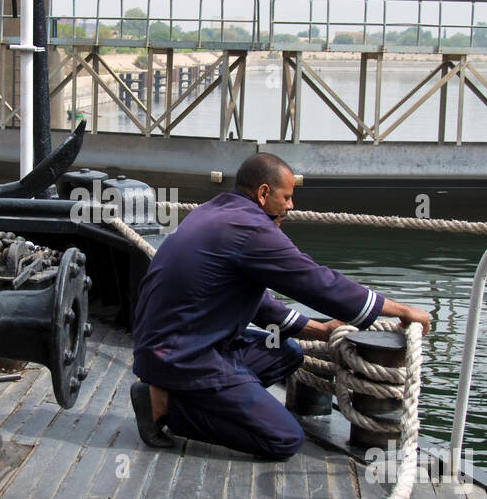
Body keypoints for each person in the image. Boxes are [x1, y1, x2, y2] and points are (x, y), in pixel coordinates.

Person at [129, 153, 431, 459]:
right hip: (183, 356)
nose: (291, 206)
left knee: (287, 353)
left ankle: (211, 396)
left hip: (169, 345)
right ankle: (164, 405)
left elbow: (255, 300)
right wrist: (401, 310)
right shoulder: (252, 229)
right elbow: (317, 282)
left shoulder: (215, 209)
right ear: (263, 193)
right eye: (286, 197)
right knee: (284, 439)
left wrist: (319, 330)